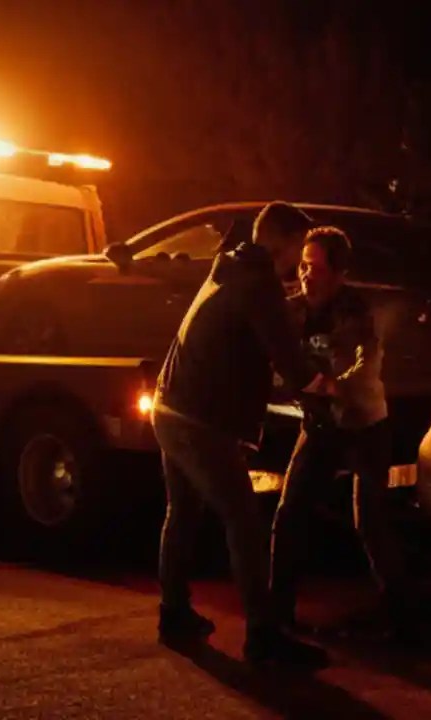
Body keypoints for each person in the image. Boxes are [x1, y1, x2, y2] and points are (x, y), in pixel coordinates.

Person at [153, 201, 331, 669]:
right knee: (245, 521)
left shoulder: (230, 265)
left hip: (171, 406)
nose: (299, 261)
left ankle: (173, 613)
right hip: (199, 420)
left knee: (183, 511)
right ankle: (263, 636)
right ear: (282, 242)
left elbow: (248, 329)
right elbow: (288, 359)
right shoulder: (258, 283)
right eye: (299, 247)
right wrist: (326, 388)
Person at [270, 226, 415, 639]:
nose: (305, 275)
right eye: (303, 266)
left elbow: (366, 361)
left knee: (369, 520)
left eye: (315, 268)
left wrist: (334, 386)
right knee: (290, 512)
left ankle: (402, 614)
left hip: (363, 424)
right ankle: (277, 610)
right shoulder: (294, 308)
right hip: (320, 426)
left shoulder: (355, 312)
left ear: (338, 273)